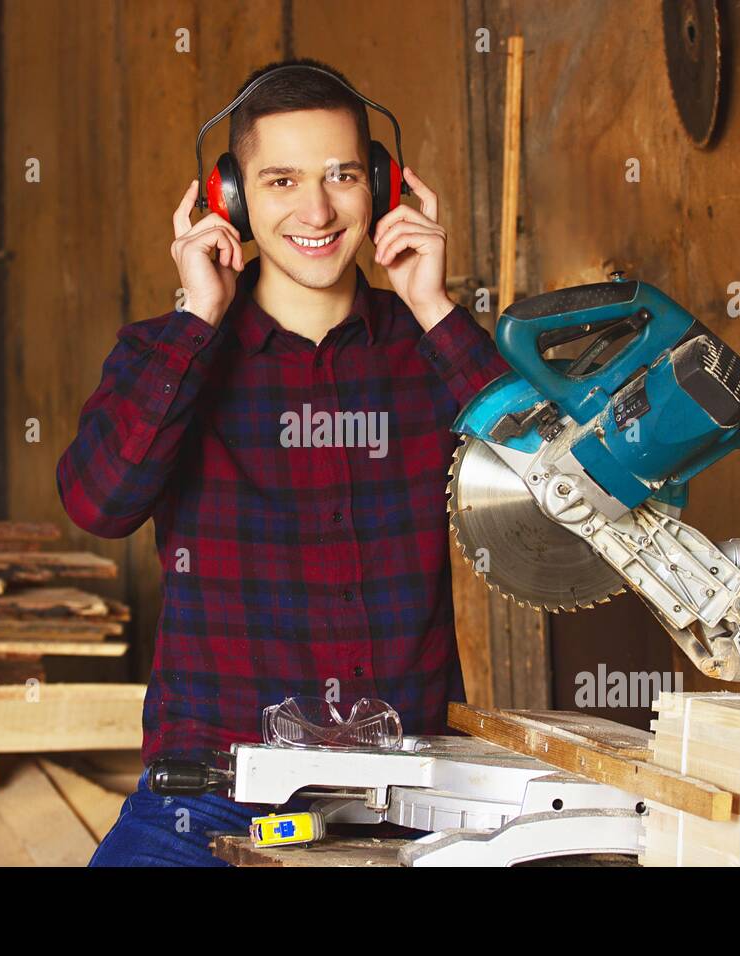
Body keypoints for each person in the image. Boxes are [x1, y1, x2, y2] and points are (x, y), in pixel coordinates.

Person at [57, 57, 509, 866]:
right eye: (281, 181)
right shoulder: (170, 352)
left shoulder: (432, 352)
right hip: (208, 801)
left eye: (342, 175)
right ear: (228, 198)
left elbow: (564, 496)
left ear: (381, 185)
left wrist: (437, 311)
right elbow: (97, 504)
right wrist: (198, 316)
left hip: (409, 802)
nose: (317, 208)